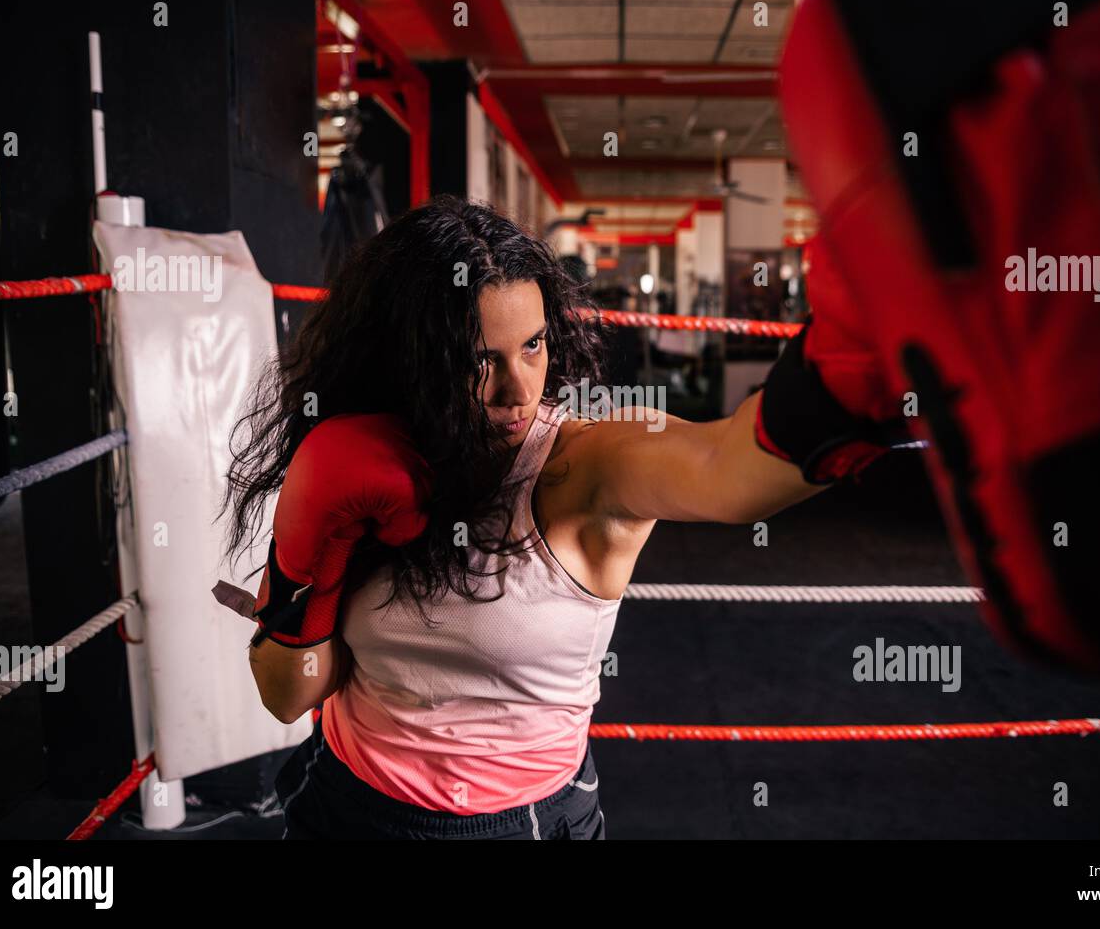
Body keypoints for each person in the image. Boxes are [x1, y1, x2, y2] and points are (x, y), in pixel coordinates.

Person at [218, 195, 874, 840]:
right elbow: (288, 696)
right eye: (480, 360)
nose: (519, 391)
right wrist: (304, 565)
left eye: (533, 346)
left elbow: (731, 472)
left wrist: (864, 354)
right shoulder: (357, 462)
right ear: (410, 361)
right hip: (343, 802)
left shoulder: (582, 469)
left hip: (516, 824)